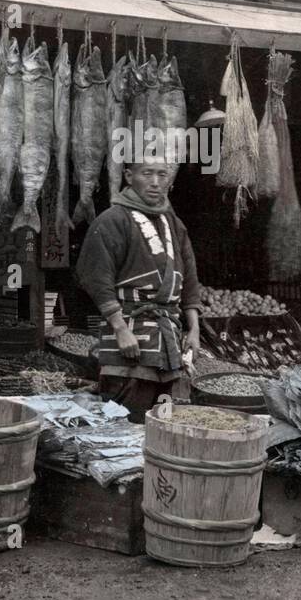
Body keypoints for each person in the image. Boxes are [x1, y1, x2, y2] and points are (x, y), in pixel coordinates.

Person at [75, 155, 201, 422]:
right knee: (123, 424)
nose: (155, 182)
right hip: (129, 337)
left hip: (167, 341)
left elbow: (189, 278)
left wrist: (194, 328)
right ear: (129, 177)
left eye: (162, 175)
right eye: (147, 174)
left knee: (161, 422)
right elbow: (95, 278)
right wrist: (120, 329)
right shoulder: (112, 220)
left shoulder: (174, 224)